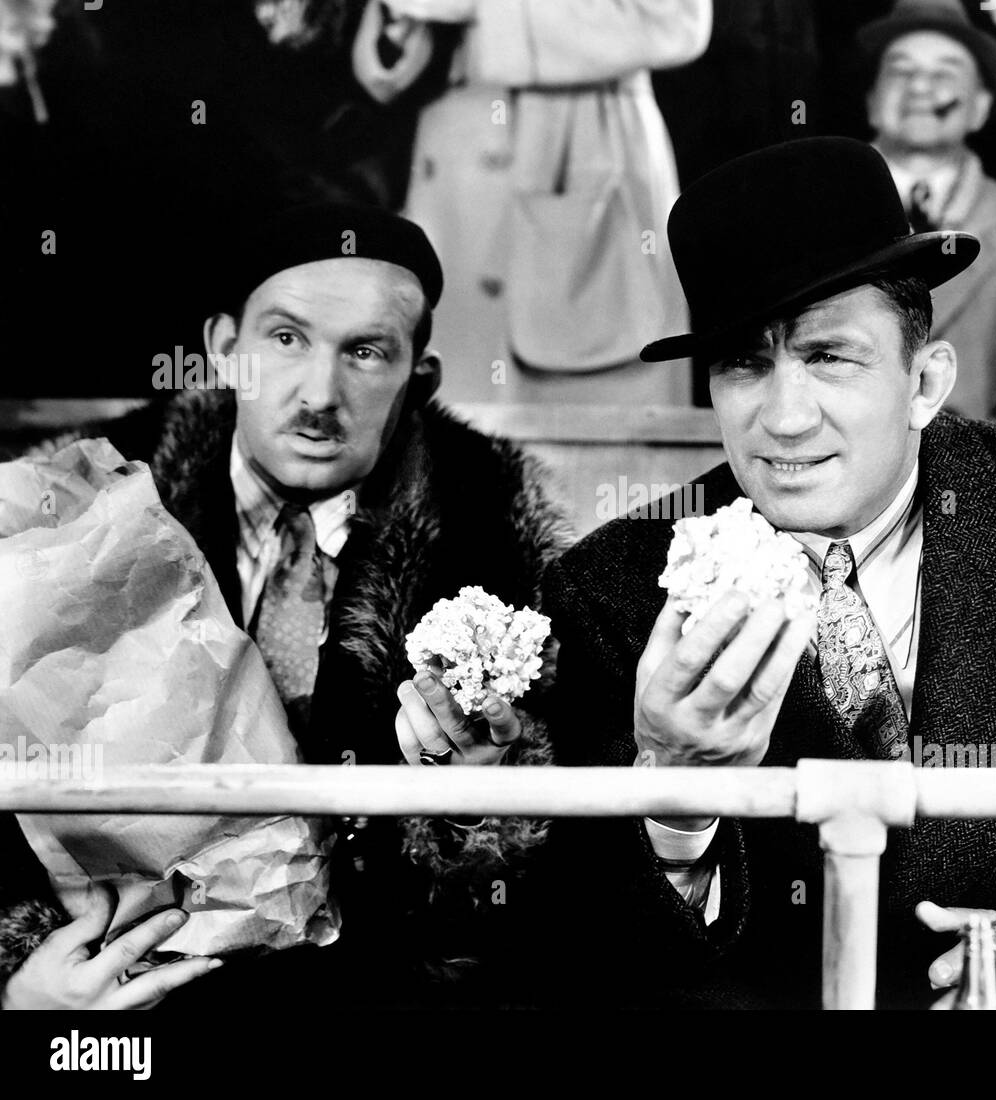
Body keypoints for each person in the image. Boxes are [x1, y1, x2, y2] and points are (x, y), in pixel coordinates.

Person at [529, 136, 996, 1009]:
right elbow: (589, 944)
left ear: (926, 381)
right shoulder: (612, 589)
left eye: (829, 356)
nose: (784, 418)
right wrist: (674, 798)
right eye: (745, 362)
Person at [0, 202, 569, 1009]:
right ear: (223, 347)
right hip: (130, 995)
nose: (319, 395)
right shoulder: (72, 512)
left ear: (420, 378)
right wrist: (22, 987)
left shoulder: (499, 545)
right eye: (286, 339)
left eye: (366, 352)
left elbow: (532, 901)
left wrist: (477, 809)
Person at [351, 0, 711, 407]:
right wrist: (401, 26)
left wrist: (487, 11)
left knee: (595, 423)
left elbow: (678, 23)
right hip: (451, 171)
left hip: (581, 152)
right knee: (453, 417)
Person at [857, 0, 996, 423]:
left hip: (982, 460)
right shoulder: (813, 209)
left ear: (980, 108)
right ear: (873, 101)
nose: (921, 86)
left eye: (945, 73)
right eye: (901, 71)